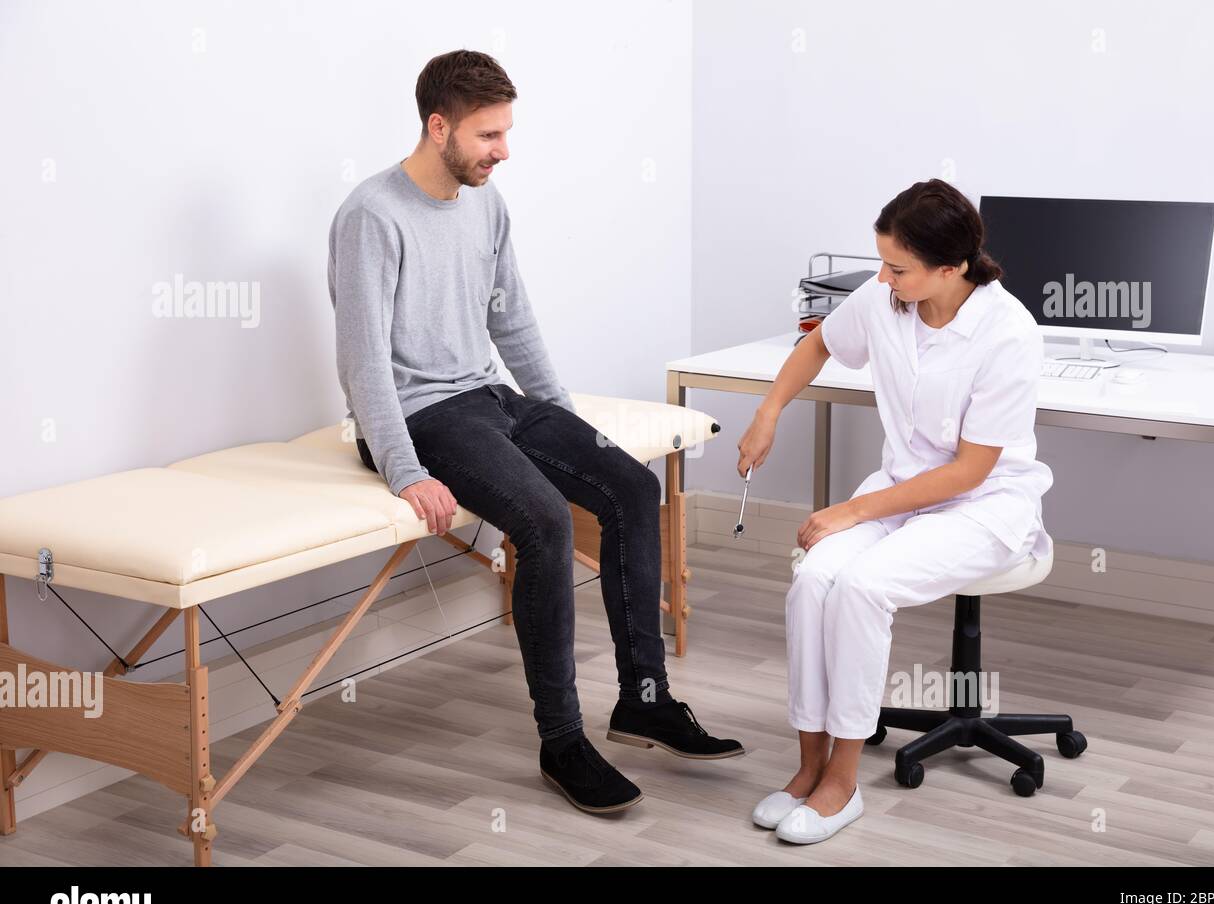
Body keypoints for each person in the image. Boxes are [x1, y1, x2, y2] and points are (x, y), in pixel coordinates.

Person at [328, 50, 744, 816]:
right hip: (421, 415)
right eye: (489, 135)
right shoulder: (371, 216)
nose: (503, 151)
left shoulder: (486, 203)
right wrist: (403, 469)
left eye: (507, 132)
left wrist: (561, 422)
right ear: (438, 125)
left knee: (629, 483)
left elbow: (509, 316)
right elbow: (361, 363)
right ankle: (562, 741)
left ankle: (644, 699)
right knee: (545, 521)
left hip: (486, 395)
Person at [739, 179, 1053, 844]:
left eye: (898, 268)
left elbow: (969, 470)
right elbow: (820, 342)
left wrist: (852, 510)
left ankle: (842, 785)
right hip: (901, 491)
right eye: (882, 261)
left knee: (861, 586)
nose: (882, 277)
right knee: (814, 578)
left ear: (953, 267)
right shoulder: (886, 298)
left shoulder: (1008, 334)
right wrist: (769, 411)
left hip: (983, 508)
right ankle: (807, 767)